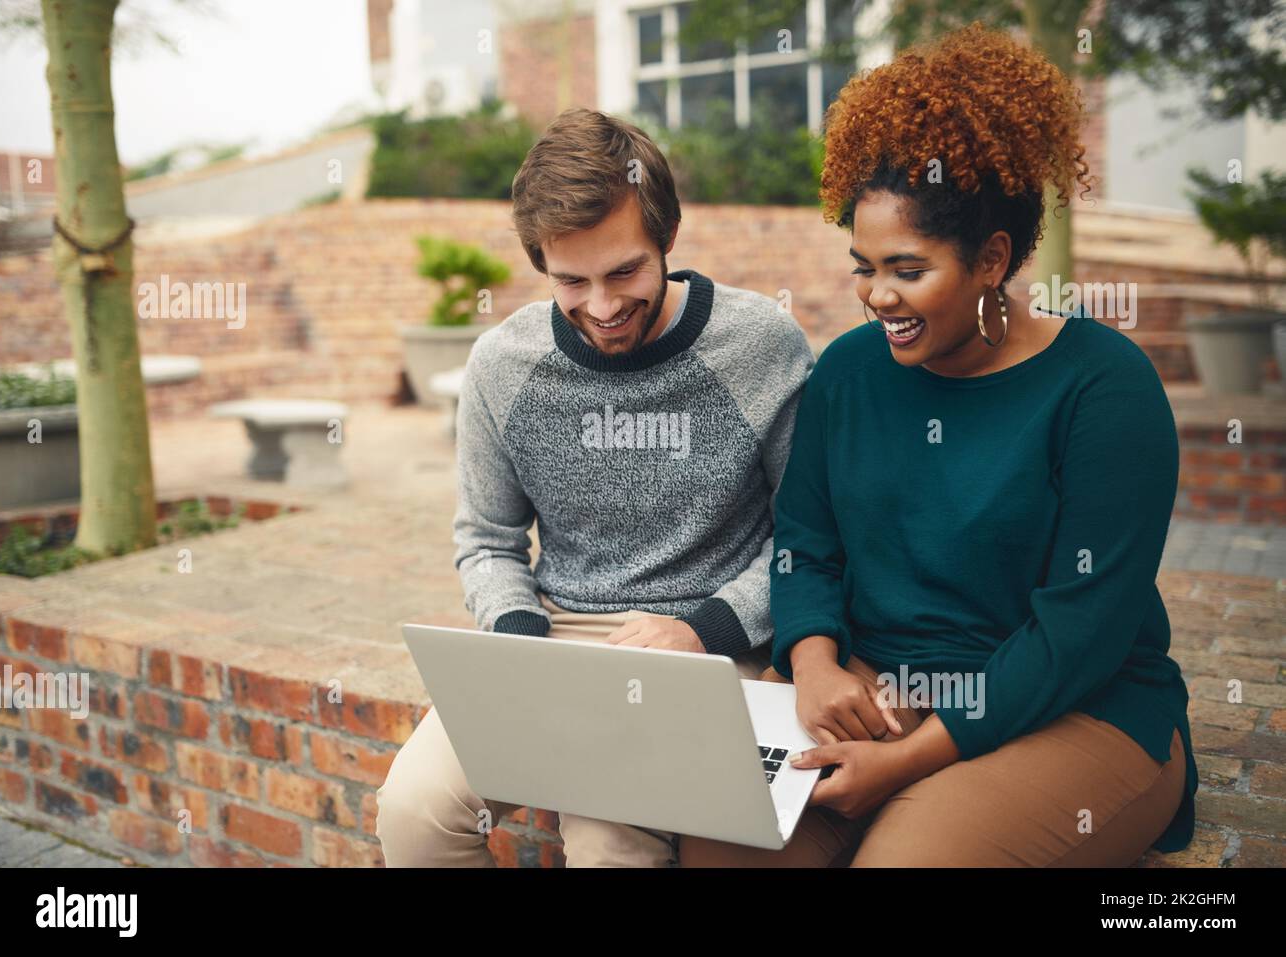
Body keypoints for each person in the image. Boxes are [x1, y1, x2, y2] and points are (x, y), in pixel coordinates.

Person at [680, 23, 1197, 868]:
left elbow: (1082, 632)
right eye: (862, 265)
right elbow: (806, 546)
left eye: (908, 269)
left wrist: (905, 762)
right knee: (722, 843)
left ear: (993, 257)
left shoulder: (1104, 388)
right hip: (877, 690)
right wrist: (812, 664)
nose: (877, 295)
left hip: (1077, 707)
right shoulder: (848, 372)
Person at [375, 107, 813, 867]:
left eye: (624, 271)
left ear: (667, 238)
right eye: (570, 280)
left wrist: (702, 629)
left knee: (613, 849)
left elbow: (808, 539)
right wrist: (519, 642)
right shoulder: (500, 365)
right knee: (414, 814)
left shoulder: (761, 345)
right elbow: (486, 540)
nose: (603, 307)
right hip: (556, 637)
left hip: (710, 645)